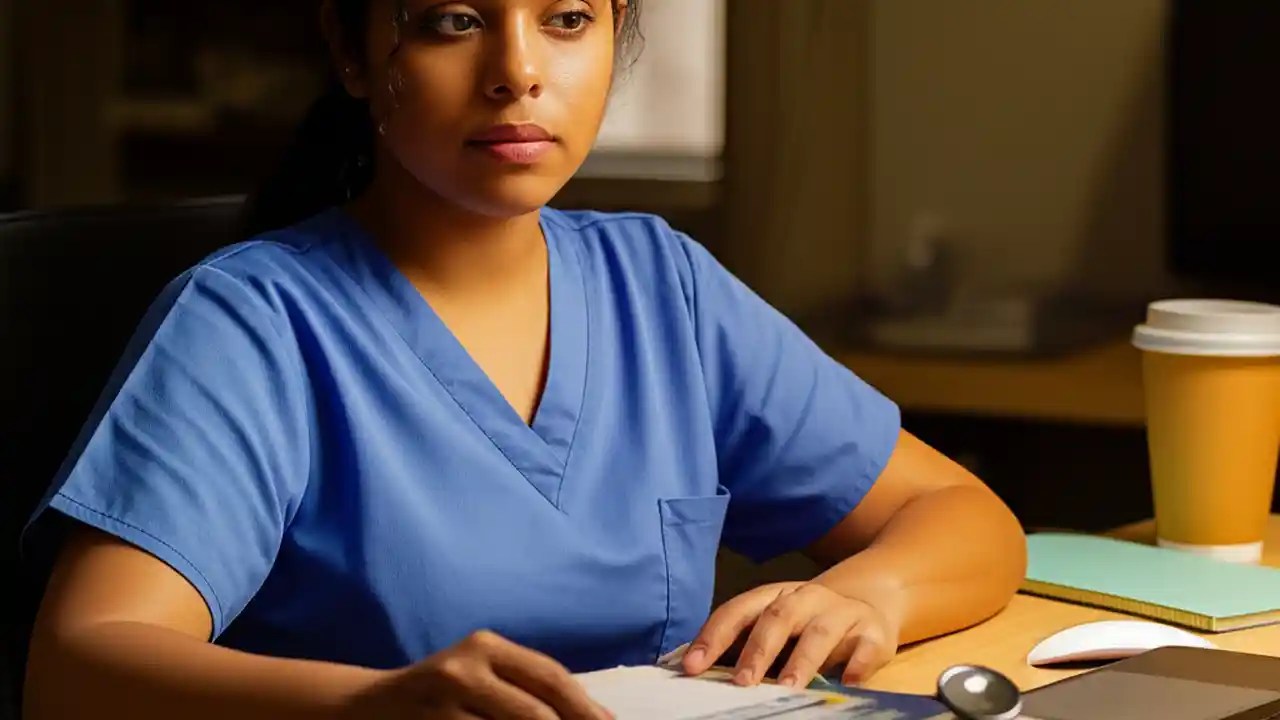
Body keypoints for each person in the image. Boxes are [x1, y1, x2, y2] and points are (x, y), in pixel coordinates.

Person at [21, 1, 1027, 718]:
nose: (517, 71)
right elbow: (79, 669)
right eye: (453, 21)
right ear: (354, 50)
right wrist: (370, 706)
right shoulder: (252, 322)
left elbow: (962, 519)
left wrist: (866, 595)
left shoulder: (659, 283)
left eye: (565, 18)